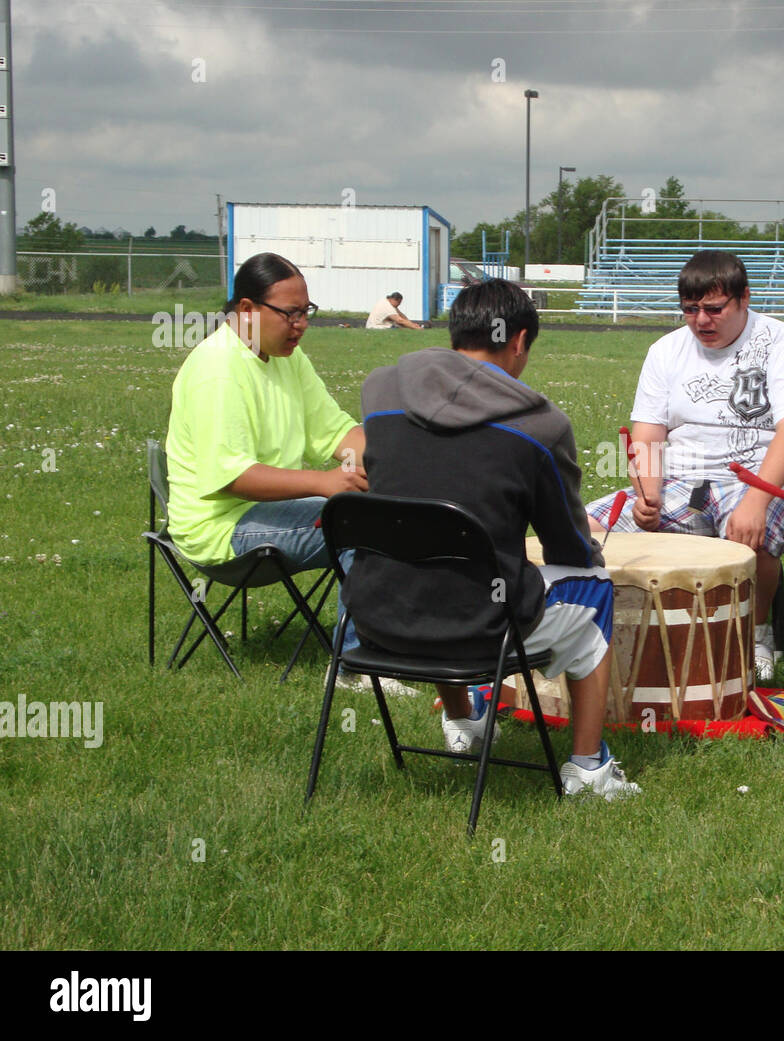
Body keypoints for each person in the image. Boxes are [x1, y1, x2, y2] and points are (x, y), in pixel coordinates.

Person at [345, 278, 640, 800]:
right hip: (479, 626)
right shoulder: (540, 425)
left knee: (431, 558)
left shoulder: (380, 391)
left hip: (374, 616)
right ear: (520, 340)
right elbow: (567, 549)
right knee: (594, 587)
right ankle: (590, 769)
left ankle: (465, 723)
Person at [164, 252, 401, 691]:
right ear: (248, 310)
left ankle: (394, 645)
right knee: (362, 526)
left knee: (386, 511)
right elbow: (233, 478)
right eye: (290, 313)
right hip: (220, 527)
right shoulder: (218, 370)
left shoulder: (287, 358)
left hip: (263, 510)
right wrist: (324, 483)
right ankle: (357, 667)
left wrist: (401, 458)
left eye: (306, 312)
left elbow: (335, 433)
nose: (301, 325)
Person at [585, 250, 784, 679]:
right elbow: (647, 434)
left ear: (744, 298)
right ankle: (607, 635)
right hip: (685, 480)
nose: (701, 321)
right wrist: (647, 494)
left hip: (766, 479)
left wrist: (756, 500)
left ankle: (757, 634)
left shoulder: (783, 342)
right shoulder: (666, 350)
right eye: (690, 310)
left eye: (714, 309)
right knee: (584, 527)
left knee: (753, 530)